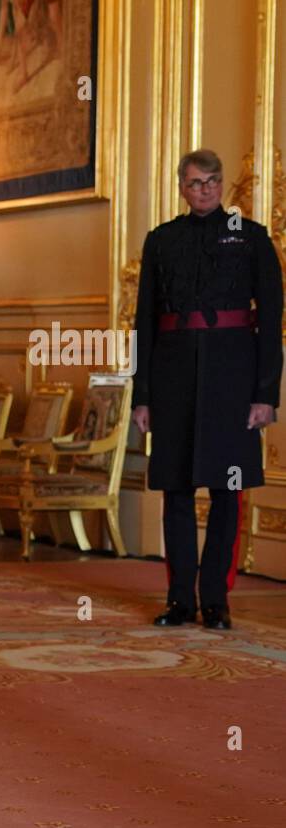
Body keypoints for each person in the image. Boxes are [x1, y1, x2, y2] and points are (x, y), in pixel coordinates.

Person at [133, 148, 283, 630]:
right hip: (172, 376)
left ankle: (216, 599)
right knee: (175, 489)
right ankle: (180, 599)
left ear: (222, 185)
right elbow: (144, 324)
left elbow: (273, 319)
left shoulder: (253, 239)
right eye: (197, 183)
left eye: (213, 181)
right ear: (182, 186)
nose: (206, 190)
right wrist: (143, 396)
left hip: (233, 379)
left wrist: (266, 394)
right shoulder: (161, 241)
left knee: (227, 489)